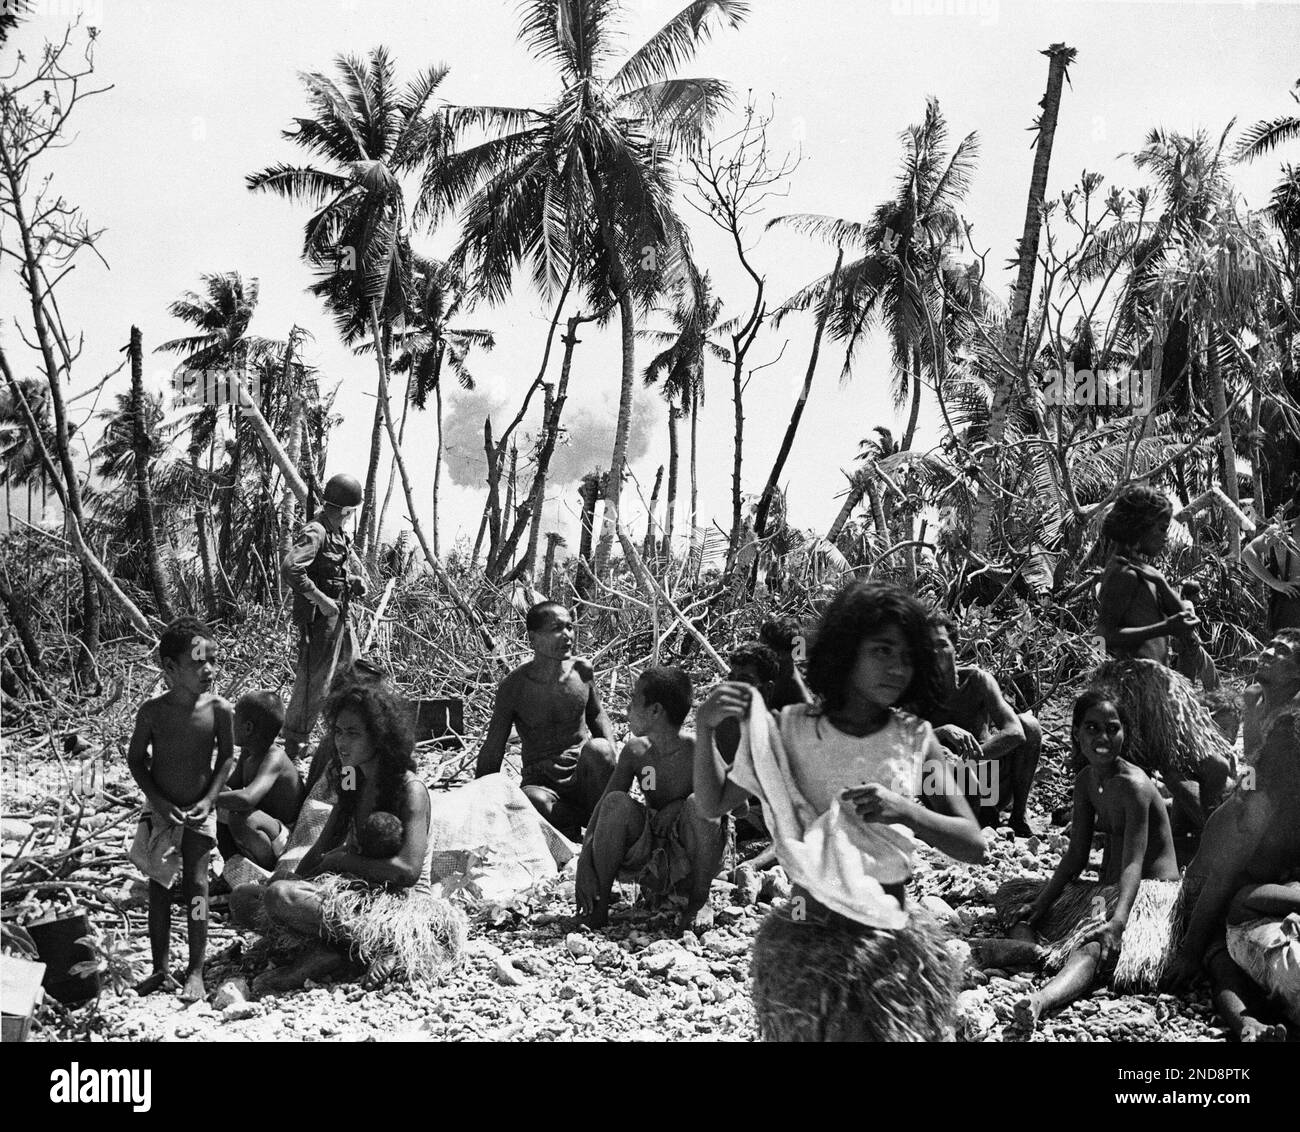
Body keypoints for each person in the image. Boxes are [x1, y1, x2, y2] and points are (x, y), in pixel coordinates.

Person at [694, 581, 985, 1041]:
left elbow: (972, 843)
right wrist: (705, 728)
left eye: (908, 657)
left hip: (888, 944)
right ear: (847, 651)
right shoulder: (790, 730)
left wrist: (904, 811)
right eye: (883, 651)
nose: (897, 668)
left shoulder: (916, 738)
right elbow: (713, 803)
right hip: (806, 938)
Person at [232, 684, 464, 992]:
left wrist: (343, 860)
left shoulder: (409, 789)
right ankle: (339, 952)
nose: (341, 742)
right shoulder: (353, 777)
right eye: (338, 732)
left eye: (353, 734)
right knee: (246, 898)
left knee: (281, 899)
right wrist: (295, 876)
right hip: (355, 894)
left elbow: (407, 872)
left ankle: (376, 946)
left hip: (396, 904)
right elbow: (325, 844)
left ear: (379, 736)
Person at [997, 691, 1180, 1032]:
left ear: (1125, 734)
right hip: (1105, 891)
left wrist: (1118, 922)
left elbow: (1133, 864)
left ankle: (1041, 1000)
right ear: (1077, 733)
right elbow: (1076, 856)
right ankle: (1034, 953)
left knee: (1094, 942)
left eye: (1113, 729)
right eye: (1093, 728)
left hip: (1146, 897)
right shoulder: (1085, 782)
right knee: (1013, 895)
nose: (1103, 738)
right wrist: (1041, 903)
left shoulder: (1134, 786)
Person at [1164, 628, 1300, 1022]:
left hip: (1262, 867)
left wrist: (1189, 950)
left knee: (1215, 942)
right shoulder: (1265, 709)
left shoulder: (1289, 733)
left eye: (1284, 652)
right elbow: (1253, 779)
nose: (1269, 651)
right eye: (1270, 644)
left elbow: (1235, 851)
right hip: (1264, 850)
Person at [1094, 484, 1232, 826]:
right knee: (1162, 772)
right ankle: (1197, 836)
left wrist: (1177, 610)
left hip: (1161, 688)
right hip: (1135, 690)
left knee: (1214, 764)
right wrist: (1165, 627)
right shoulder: (1122, 574)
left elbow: (1183, 621)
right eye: (1159, 528)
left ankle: (1196, 831)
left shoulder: (1146, 572)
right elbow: (1106, 636)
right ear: (1137, 528)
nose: (1165, 536)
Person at [126, 616, 236, 1002]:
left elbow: (226, 757)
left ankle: (195, 969)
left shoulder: (219, 710)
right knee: (159, 886)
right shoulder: (152, 713)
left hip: (199, 812)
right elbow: (137, 760)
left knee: (198, 888)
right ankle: (159, 968)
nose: (209, 670)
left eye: (213, 660)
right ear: (170, 668)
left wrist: (209, 800)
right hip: (161, 810)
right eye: (198, 663)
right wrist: (157, 801)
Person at [576, 667, 724, 934]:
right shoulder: (637, 752)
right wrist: (583, 860)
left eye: (634, 700)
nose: (627, 709)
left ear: (655, 711)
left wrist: (679, 806)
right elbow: (604, 807)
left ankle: (700, 899)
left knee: (698, 804)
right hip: (656, 850)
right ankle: (598, 906)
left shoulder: (698, 750)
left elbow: (738, 805)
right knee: (615, 803)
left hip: (695, 851)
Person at [475, 601, 616, 840]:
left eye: (570, 627)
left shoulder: (582, 671)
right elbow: (494, 746)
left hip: (582, 776)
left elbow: (597, 715)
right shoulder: (513, 687)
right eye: (556, 628)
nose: (567, 635)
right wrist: (479, 799)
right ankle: (575, 822)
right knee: (533, 801)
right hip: (542, 782)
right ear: (533, 638)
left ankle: (597, 823)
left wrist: (612, 754)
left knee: (600, 749)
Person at [925, 612, 1042, 837]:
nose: (934, 653)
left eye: (941, 644)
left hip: (989, 779)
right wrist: (942, 732)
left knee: (1030, 724)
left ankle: (1019, 816)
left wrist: (968, 760)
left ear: (955, 648)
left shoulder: (977, 680)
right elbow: (904, 738)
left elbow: (1015, 732)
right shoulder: (917, 690)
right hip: (947, 788)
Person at [281, 472, 368, 764]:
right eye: (351, 511)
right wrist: (322, 600)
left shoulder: (337, 532)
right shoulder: (316, 531)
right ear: (346, 509)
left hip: (342, 615)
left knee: (354, 675)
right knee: (313, 683)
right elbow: (292, 568)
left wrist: (353, 580)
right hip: (321, 619)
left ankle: (344, 738)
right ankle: (293, 750)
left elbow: (331, 570)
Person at [216, 691, 304, 871]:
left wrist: (205, 796)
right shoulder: (248, 753)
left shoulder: (274, 758)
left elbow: (248, 798)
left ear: (247, 728)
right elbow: (230, 788)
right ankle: (233, 867)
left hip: (287, 839)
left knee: (240, 817)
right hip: (267, 831)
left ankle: (269, 870)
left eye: (234, 720)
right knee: (222, 807)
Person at [1241, 495, 1300, 636]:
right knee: (1286, 655)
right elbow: (1248, 552)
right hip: (1290, 602)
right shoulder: (1282, 529)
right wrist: (1274, 583)